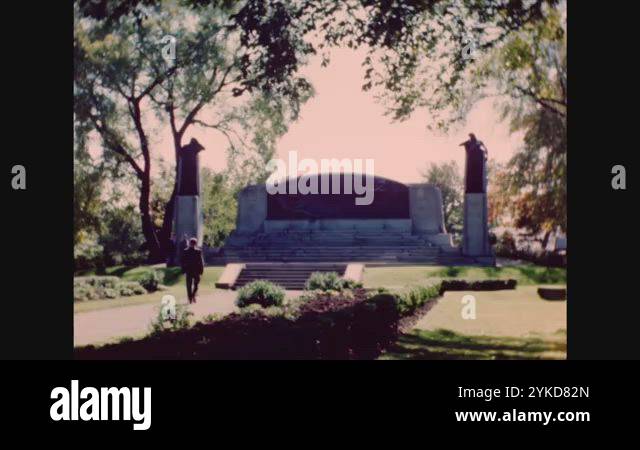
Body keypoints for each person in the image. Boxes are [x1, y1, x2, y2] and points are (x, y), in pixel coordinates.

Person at [181, 237, 204, 304]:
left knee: (193, 285)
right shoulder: (186, 251)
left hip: (193, 270)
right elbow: (182, 261)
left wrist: (201, 270)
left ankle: (191, 296)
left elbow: (201, 261)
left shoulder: (197, 251)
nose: (192, 244)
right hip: (191, 270)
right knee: (191, 285)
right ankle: (191, 297)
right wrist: (184, 270)